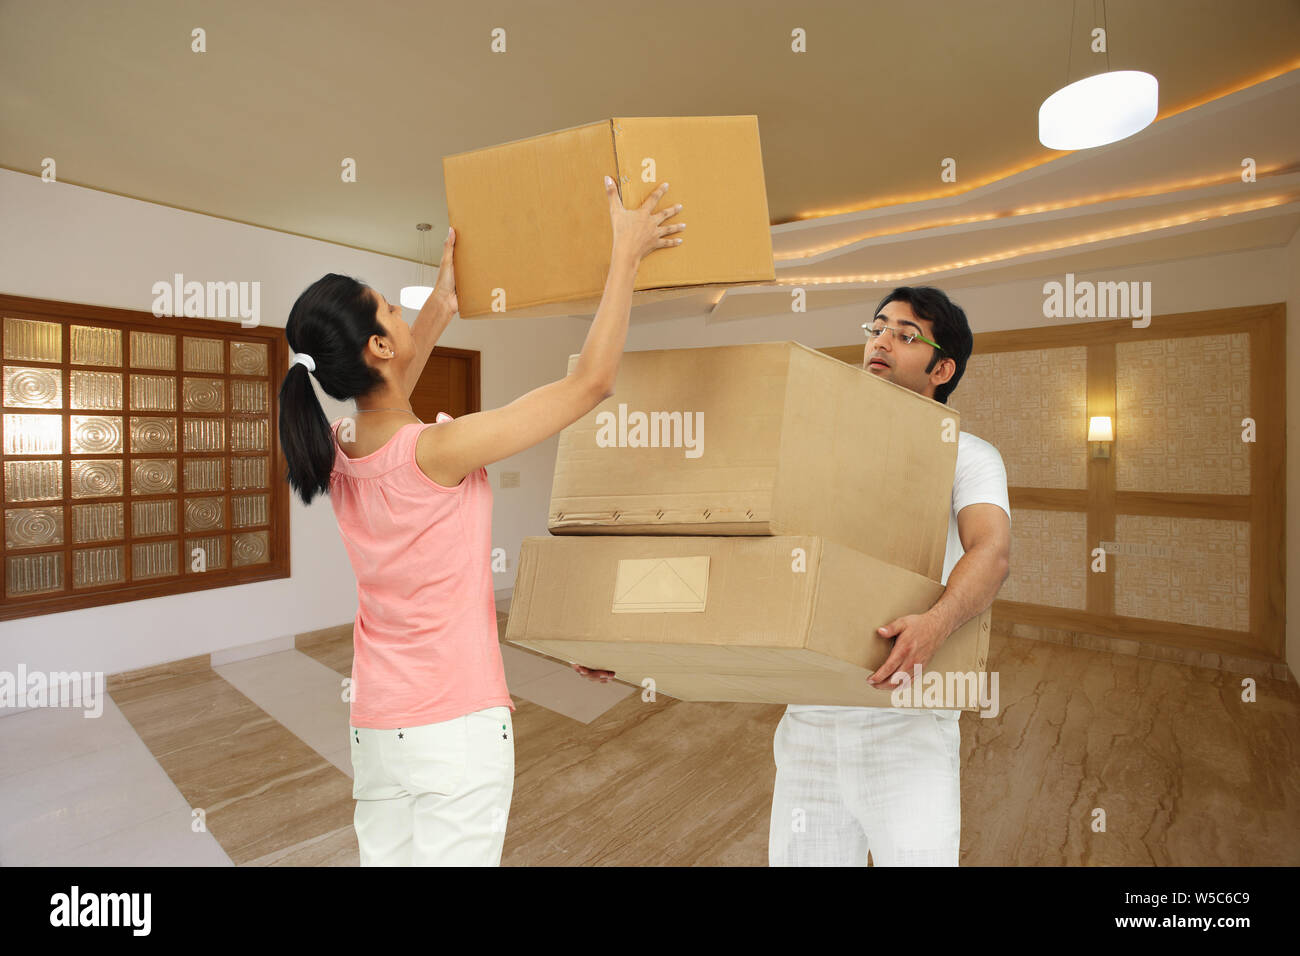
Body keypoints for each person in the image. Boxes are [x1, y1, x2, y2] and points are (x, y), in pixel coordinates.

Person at [277, 176, 685, 865]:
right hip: (455, 729)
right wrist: (626, 257)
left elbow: (391, 395)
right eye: (392, 313)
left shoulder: (341, 447)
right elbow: (591, 383)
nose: (404, 319)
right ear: (378, 348)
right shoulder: (439, 450)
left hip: (378, 728)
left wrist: (441, 303)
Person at [767, 286, 1012, 867]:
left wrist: (936, 623)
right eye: (877, 328)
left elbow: (991, 552)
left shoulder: (970, 456)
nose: (881, 340)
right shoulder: (819, 451)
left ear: (942, 368)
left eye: (905, 335)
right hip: (809, 713)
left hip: (909, 719)